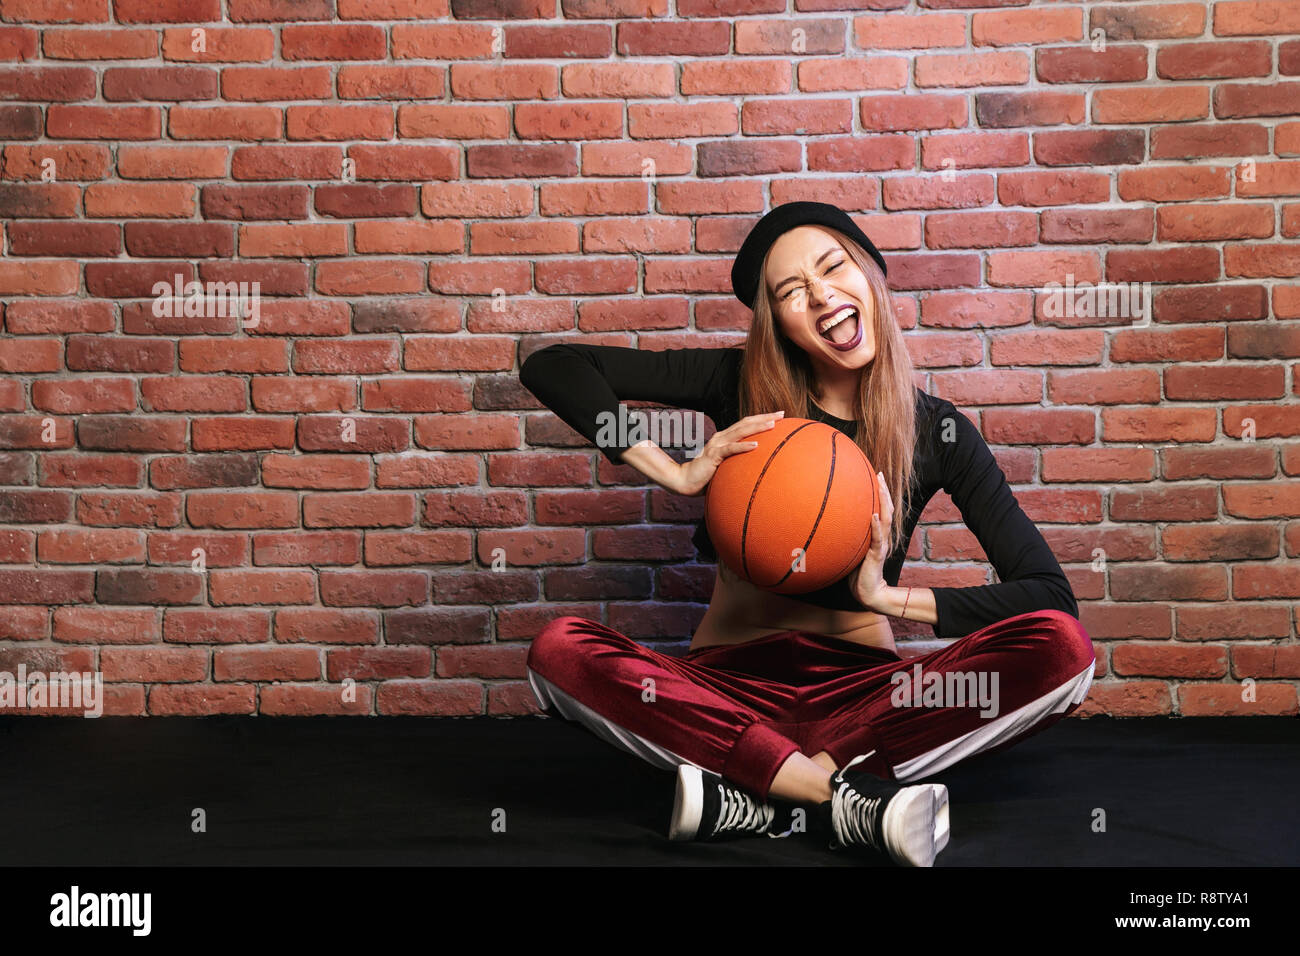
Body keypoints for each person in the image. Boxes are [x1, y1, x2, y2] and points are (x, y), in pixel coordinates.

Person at [518, 201, 1095, 866]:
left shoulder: (937, 431)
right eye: (792, 291)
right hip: (722, 689)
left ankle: (756, 796)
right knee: (560, 649)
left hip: (867, 700)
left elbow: (1048, 596)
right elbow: (555, 366)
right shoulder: (736, 383)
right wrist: (672, 471)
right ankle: (836, 798)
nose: (820, 295)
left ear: (869, 277)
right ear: (780, 324)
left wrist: (888, 599)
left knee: (1061, 647)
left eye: (832, 268)